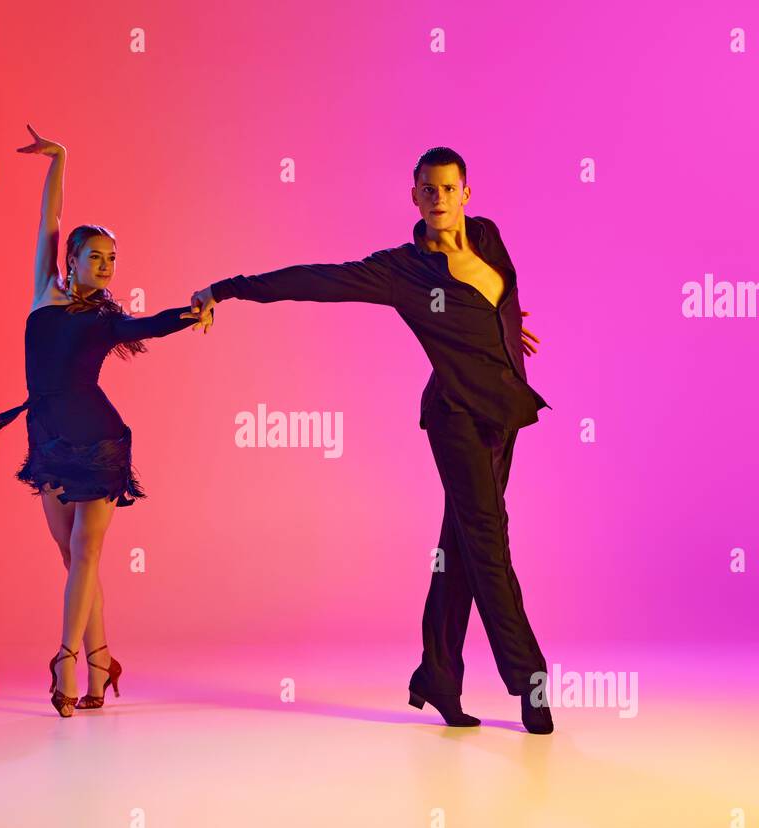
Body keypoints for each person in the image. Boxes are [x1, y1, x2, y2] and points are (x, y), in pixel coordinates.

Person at [191, 147, 555, 733]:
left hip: (504, 414)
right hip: (456, 417)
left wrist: (503, 327)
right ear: (414, 197)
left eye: (448, 188)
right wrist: (227, 289)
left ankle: (437, 674)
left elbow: (500, 299)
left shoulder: (488, 237)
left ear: (466, 193)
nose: (438, 199)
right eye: (427, 190)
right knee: (488, 539)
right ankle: (530, 681)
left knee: (460, 546)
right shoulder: (402, 272)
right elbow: (316, 280)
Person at [0, 125, 211, 717]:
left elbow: (150, 324)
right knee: (72, 561)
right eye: (97, 257)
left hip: (100, 443)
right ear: (72, 261)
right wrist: (59, 159)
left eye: (113, 260)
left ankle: (65, 661)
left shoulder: (107, 319)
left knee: (85, 556)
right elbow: (49, 220)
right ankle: (103, 662)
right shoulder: (45, 291)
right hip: (48, 441)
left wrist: (195, 313)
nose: (107, 266)